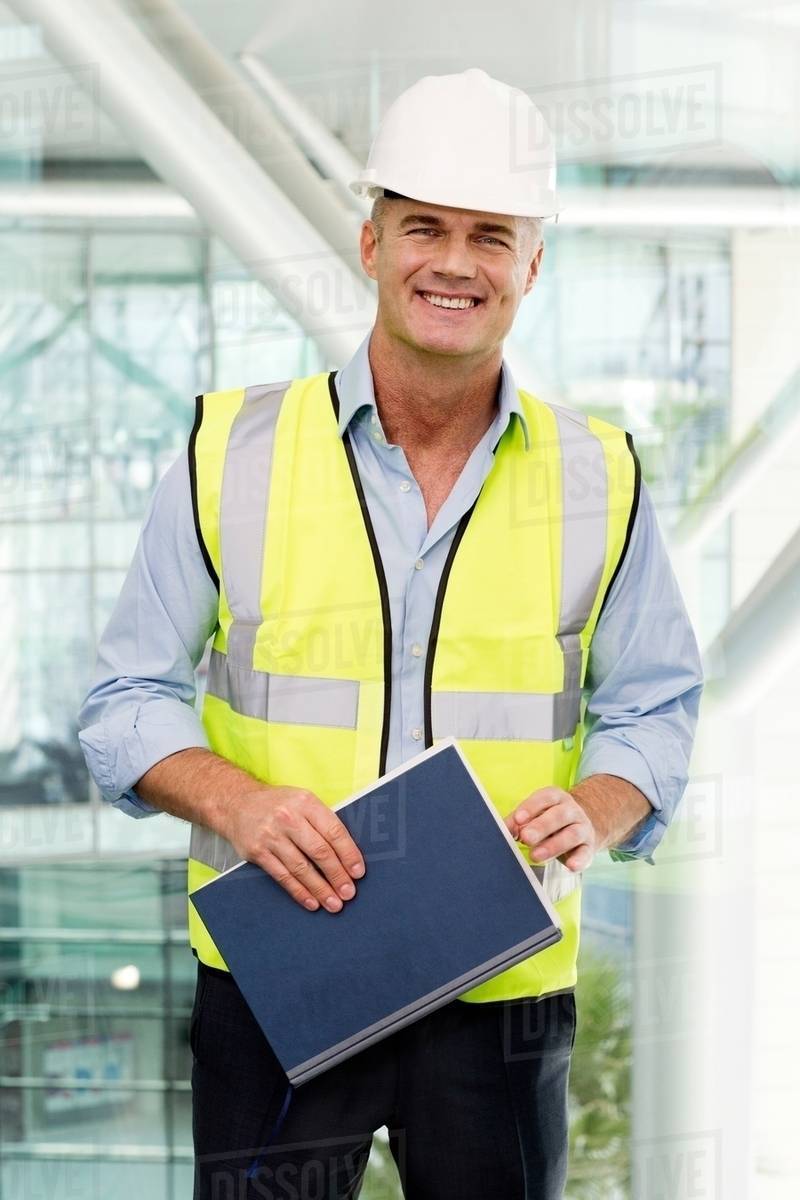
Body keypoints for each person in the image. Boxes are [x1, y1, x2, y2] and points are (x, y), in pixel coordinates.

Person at [78, 67, 703, 1200]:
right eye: (422, 226)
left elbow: (653, 707)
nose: (453, 262)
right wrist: (238, 802)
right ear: (369, 242)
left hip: (497, 993)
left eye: (488, 235)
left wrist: (599, 806)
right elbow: (123, 701)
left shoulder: (597, 474)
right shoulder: (232, 453)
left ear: (531, 265)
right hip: (281, 978)